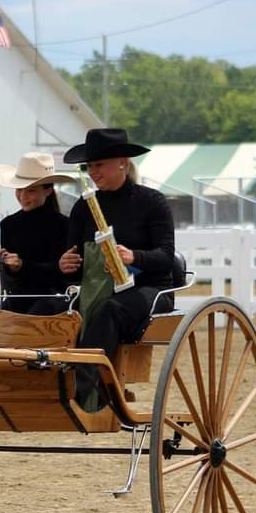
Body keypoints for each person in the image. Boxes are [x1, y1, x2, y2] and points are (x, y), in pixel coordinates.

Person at [57, 128, 174, 407]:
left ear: (122, 161)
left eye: (99, 165)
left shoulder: (151, 202)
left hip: (150, 289)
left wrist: (134, 257)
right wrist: (65, 264)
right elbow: (75, 262)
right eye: (89, 166)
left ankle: (88, 391)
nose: (93, 172)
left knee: (110, 309)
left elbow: (166, 256)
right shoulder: (83, 208)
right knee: (55, 310)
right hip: (97, 289)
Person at [0, 151, 76, 315]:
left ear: (48, 190)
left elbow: (61, 274)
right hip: (16, 301)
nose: (23, 196)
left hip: (53, 301)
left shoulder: (64, 225)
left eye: (30, 190)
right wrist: (5, 264)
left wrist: (22, 266)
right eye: (19, 189)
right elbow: (11, 282)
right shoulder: (8, 225)